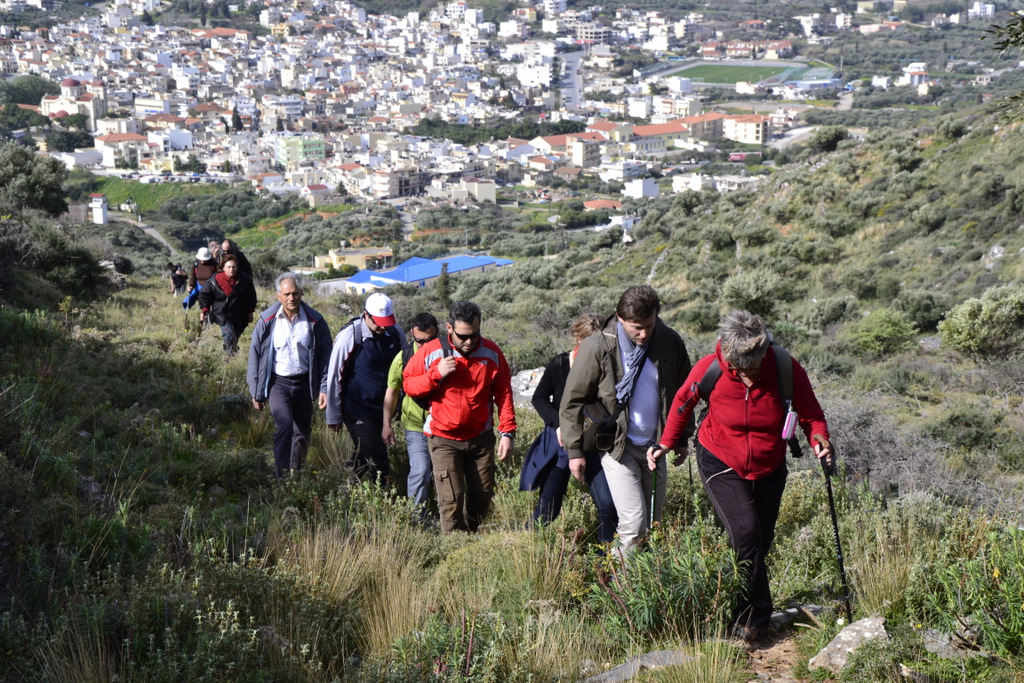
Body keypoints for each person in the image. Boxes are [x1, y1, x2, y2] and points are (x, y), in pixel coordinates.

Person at [647, 310, 833, 643]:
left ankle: (736, 603)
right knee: (746, 534)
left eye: (753, 367)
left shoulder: (784, 367)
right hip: (720, 459)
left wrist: (820, 440)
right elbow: (683, 402)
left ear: (764, 352)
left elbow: (811, 415)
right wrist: (666, 442)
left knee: (760, 539)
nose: (746, 374)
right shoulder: (712, 368)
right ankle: (751, 617)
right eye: (739, 368)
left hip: (769, 465)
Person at [560, 285, 691, 555]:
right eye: (636, 328)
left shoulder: (669, 341)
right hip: (618, 447)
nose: (644, 334)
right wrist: (575, 451)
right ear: (620, 319)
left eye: (649, 326)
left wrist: (681, 438)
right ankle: (622, 581)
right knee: (634, 525)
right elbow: (572, 400)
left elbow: (684, 394)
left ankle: (645, 577)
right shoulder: (598, 346)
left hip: (656, 447)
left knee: (653, 525)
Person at [403, 301, 516, 533]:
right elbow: (409, 385)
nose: (469, 341)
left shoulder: (491, 352)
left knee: (482, 496)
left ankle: (471, 540)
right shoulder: (431, 351)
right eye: (463, 336)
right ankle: (453, 546)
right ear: (449, 328)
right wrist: (436, 374)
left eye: (475, 335)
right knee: (450, 501)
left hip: (481, 438)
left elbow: (503, 392)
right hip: (443, 438)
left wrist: (507, 432)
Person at [520, 313, 605, 526]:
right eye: (589, 343)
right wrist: (559, 425)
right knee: (548, 509)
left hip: (594, 443)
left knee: (607, 505)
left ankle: (608, 546)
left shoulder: (608, 367)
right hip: (560, 444)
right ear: (578, 339)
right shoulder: (560, 364)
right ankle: (527, 540)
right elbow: (539, 398)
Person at [247, 273, 333, 480]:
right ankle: (282, 476)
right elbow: (254, 357)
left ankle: (297, 471)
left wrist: (324, 388)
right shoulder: (267, 321)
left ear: (301, 293)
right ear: (278, 296)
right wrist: (256, 391)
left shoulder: (315, 321)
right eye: (286, 294)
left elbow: (326, 357)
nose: (291, 298)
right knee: (284, 426)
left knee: (302, 431)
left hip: (305, 383)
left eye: (295, 293)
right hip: (278, 383)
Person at [326, 292, 405, 480]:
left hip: (385, 407)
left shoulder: (395, 333)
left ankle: (346, 484)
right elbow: (334, 375)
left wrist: (401, 402)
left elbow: (406, 367)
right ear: (366, 315)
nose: (382, 327)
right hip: (357, 409)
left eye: (386, 322)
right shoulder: (350, 336)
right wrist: (333, 414)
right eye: (378, 322)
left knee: (365, 452)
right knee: (378, 456)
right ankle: (384, 494)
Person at [382, 312, 439, 512]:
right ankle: (417, 518)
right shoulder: (403, 357)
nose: (424, 346)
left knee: (445, 473)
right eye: (419, 341)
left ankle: (446, 517)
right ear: (412, 333)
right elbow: (392, 391)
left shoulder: (448, 355)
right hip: (415, 426)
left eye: (429, 341)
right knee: (420, 471)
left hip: (443, 426)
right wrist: (386, 425)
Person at [198, 254, 258, 356]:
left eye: (234, 267)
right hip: (222, 313)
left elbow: (251, 295)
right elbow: (204, 295)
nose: (231, 269)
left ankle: (230, 349)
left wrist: (250, 311)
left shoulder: (244, 279)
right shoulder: (215, 279)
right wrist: (205, 309)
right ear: (223, 268)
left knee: (235, 335)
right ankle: (231, 356)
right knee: (229, 334)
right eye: (229, 267)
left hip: (240, 313)